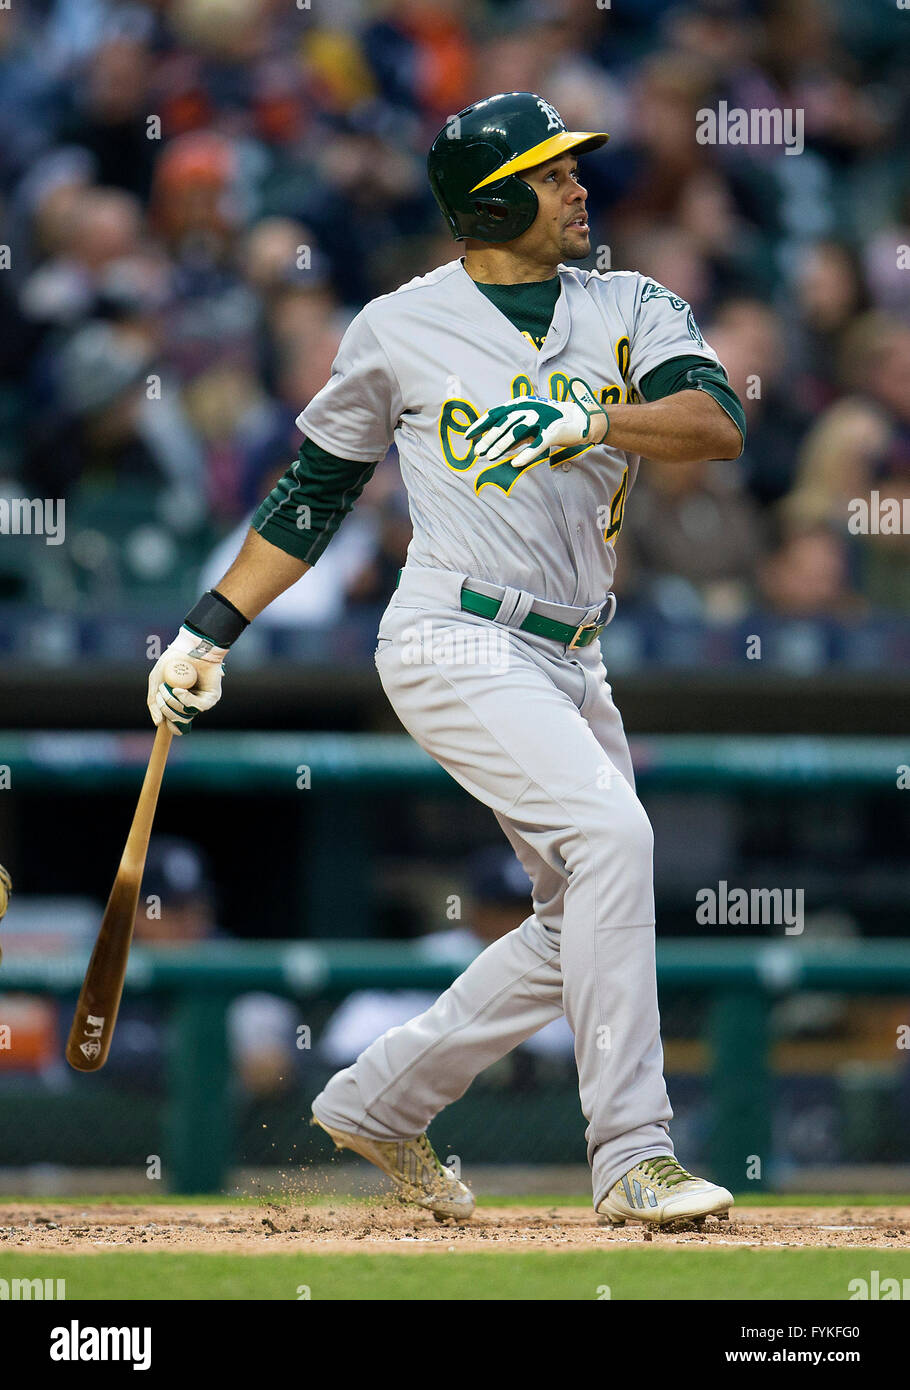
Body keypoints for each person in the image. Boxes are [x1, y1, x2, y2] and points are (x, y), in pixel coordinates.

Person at [147, 93, 745, 1228]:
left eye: (572, 170)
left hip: (574, 647)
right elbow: (314, 494)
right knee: (615, 837)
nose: (577, 187)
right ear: (490, 198)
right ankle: (632, 1154)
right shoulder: (397, 325)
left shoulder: (627, 300)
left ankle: (382, 1096)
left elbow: (717, 421)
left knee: (586, 911)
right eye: (551, 172)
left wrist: (592, 420)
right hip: (451, 629)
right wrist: (205, 627)